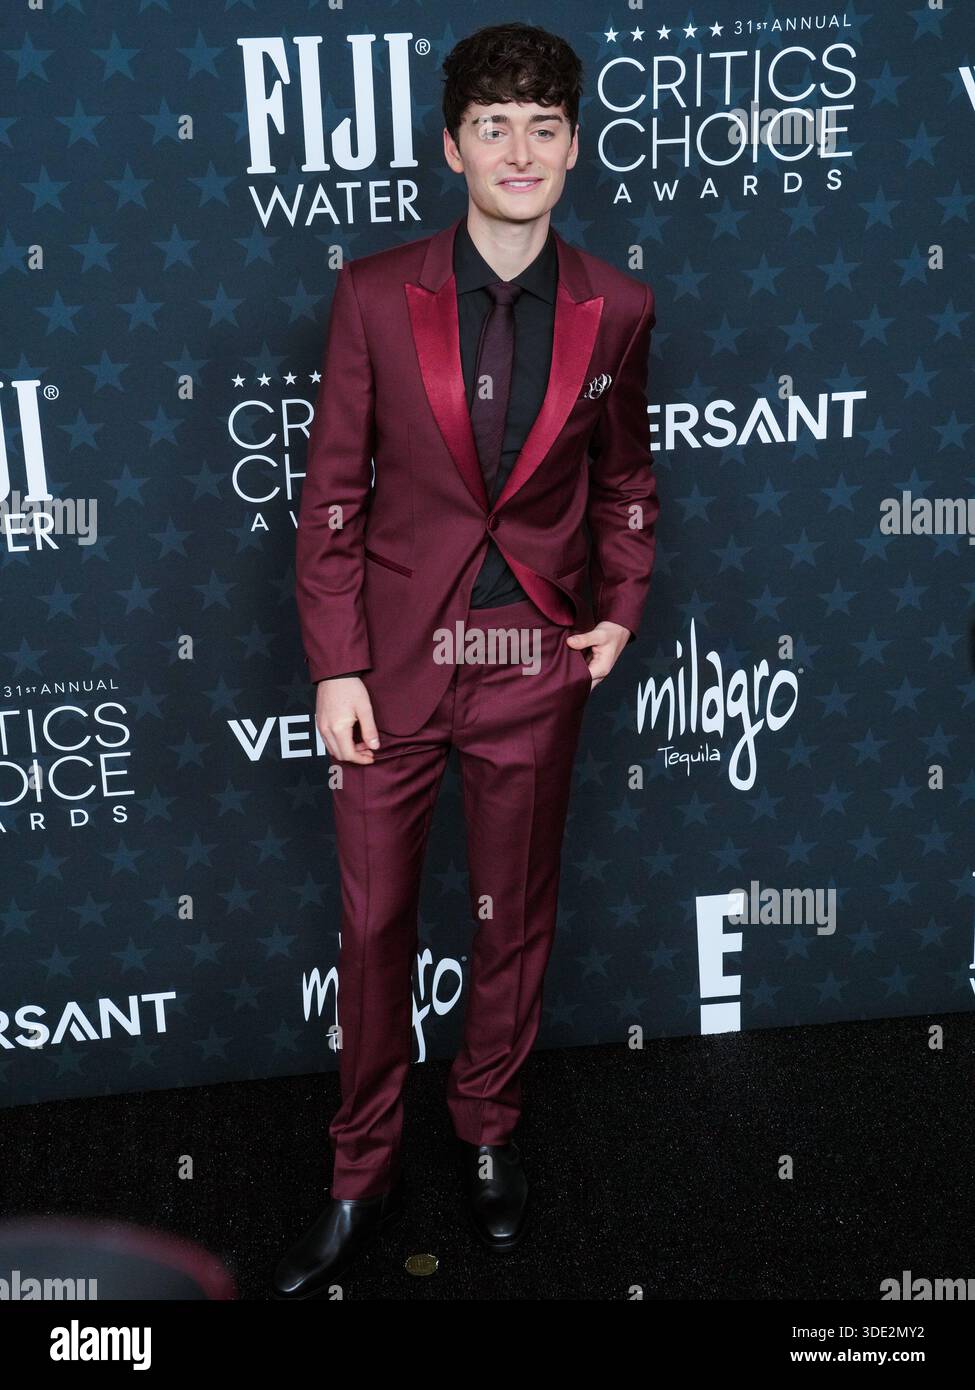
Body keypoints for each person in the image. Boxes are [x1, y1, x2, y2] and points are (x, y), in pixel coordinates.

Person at [273, 20, 659, 1299]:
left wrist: (621, 605)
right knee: (376, 923)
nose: (519, 149)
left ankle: (488, 1132)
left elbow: (625, 481)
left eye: (544, 126)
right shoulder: (377, 293)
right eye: (492, 124)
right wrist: (335, 664)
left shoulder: (620, 307)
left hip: (532, 665)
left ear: (575, 148)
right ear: (451, 147)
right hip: (391, 667)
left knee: (513, 925)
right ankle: (359, 1171)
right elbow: (331, 492)